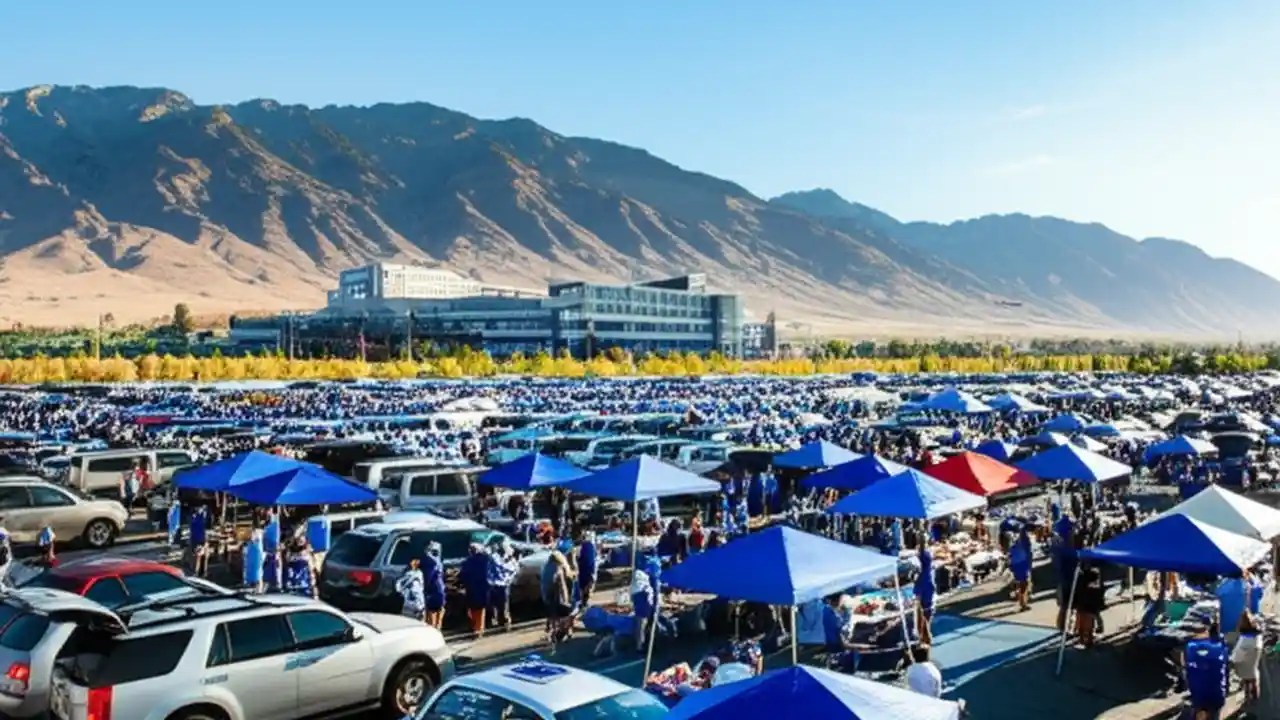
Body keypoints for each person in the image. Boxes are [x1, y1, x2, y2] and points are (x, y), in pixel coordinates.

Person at [459, 543, 490, 639]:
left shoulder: (467, 562)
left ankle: (475, 628)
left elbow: (463, 575)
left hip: (471, 588)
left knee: (473, 609)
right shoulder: (485, 560)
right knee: (480, 610)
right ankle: (479, 630)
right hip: (482, 588)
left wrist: (462, 584)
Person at [487, 537, 518, 632]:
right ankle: (500, 622)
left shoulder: (505, 559)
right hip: (496, 584)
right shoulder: (494, 557)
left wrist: (509, 578)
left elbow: (513, 570)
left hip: (503, 585)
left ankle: (505, 623)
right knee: (496, 605)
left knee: (503, 605)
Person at [1231, 611, 1262, 702]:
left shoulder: (1243, 641)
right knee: (1254, 678)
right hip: (1254, 663)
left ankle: (1247, 697)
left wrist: (1232, 662)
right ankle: (1256, 695)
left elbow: (1237, 656)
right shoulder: (1258, 635)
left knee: (1246, 680)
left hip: (1245, 666)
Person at [913, 537, 936, 645]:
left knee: (920, 611)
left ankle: (922, 635)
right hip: (927, 584)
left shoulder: (919, 557)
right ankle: (926, 633)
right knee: (927, 610)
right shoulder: (927, 555)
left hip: (921, 585)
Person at [1009, 526, 1033, 612]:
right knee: (1024, 584)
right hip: (1022, 563)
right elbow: (1029, 554)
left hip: (1015, 564)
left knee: (1021, 583)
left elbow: (1011, 553)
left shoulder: (1015, 544)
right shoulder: (1026, 542)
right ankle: (1023, 603)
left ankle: (1020, 598)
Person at [423, 542, 446, 629]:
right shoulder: (438, 561)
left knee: (432, 610)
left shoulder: (430, 562)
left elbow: (428, 577)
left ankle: (433, 629)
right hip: (440, 588)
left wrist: (426, 588)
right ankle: (437, 628)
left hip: (433, 589)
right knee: (439, 608)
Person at [396, 557, 427, 622]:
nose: (415, 563)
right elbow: (399, 584)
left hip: (419, 602)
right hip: (409, 602)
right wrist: (401, 591)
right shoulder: (407, 573)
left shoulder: (420, 573)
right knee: (407, 620)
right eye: (414, 561)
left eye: (417, 561)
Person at [576, 531, 598, 607]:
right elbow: (595, 557)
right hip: (589, 569)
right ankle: (584, 602)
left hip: (583, 569)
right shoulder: (591, 546)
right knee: (588, 585)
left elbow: (577, 558)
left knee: (583, 586)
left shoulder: (580, 547)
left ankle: (583, 602)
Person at [189, 504, 210, 578]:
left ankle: (200, 572)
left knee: (200, 557)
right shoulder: (198, 518)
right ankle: (201, 572)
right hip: (200, 539)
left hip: (200, 539)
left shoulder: (197, 519)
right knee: (200, 557)